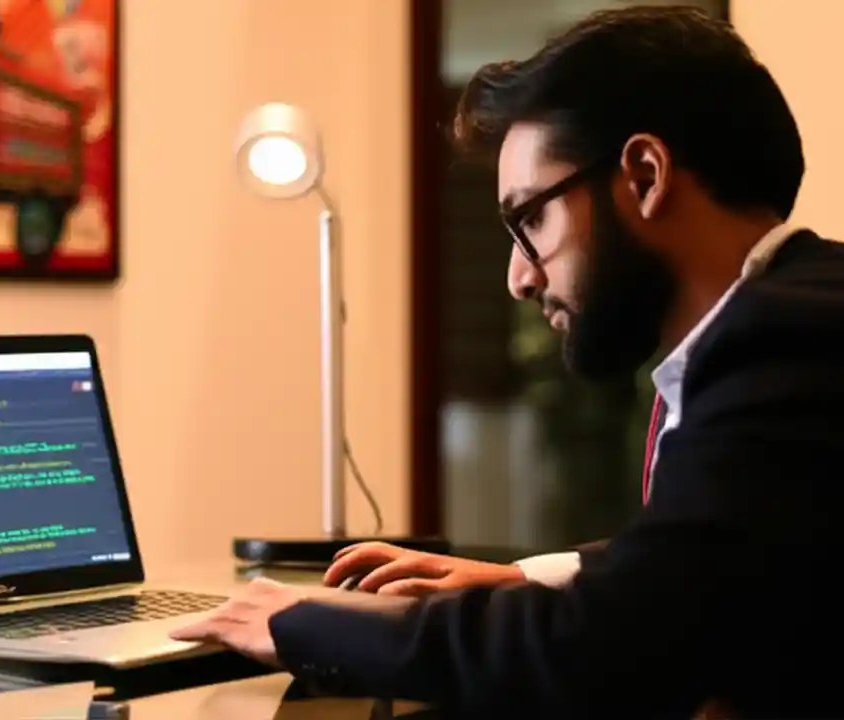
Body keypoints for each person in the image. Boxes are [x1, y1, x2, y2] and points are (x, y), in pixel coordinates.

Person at [171, 6, 844, 718]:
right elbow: (711, 559)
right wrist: (520, 577)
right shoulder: (794, 317)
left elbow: (607, 650)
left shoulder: (786, 340)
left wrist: (298, 625)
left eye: (532, 220)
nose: (518, 279)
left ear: (645, 176)